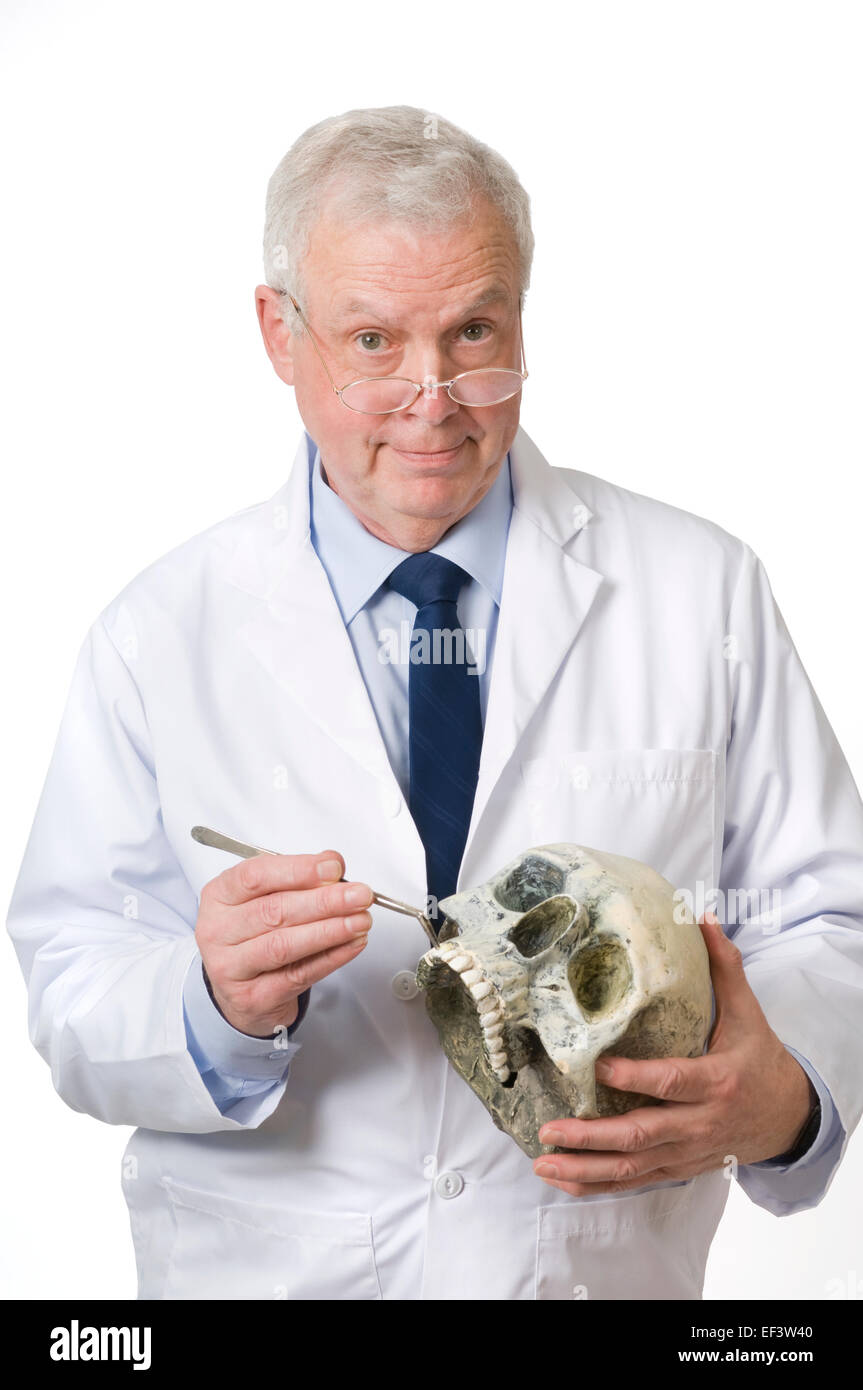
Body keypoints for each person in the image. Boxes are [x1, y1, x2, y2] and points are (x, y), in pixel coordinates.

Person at [6, 105, 863, 1302]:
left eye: (473, 330)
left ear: (522, 313)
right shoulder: (159, 631)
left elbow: (831, 916)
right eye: (370, 340)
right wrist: (207, 1004)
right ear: (278, 332)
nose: (434, 394)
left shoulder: (699, 589)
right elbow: (72, 980)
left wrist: (779, 1094)